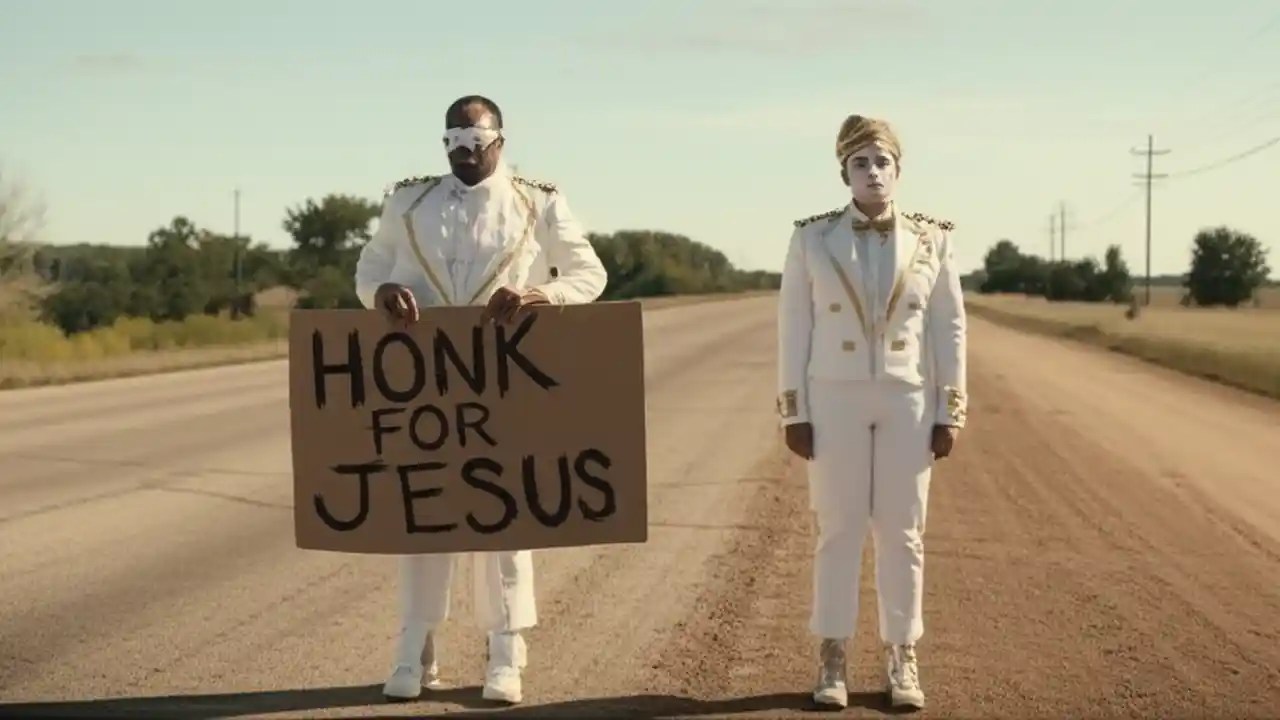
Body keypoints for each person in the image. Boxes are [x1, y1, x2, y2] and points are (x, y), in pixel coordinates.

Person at [353, 94, 608, 705]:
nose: (464, 154)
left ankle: (505, 649)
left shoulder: (538, 199)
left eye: (475, 142)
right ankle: (416, 645)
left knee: (503, 517)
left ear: (499, 140)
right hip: (428, 380)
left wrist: (536, 295)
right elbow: (369, 268)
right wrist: (381, 292)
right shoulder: (409, 200)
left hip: (506, 374)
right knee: (422, 514)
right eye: (453, 144)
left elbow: (588, 273)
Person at [775, 114, 967, 711]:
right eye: (861, 163)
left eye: (883, 162)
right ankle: (831, 654)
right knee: (838, 527)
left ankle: (900, 654)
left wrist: (950, 408)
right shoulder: (811, 238)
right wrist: (793, 410)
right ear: (844, 172)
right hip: (834, 396)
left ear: (899, 170)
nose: (873, 173)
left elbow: (949, 326)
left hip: (908, 397)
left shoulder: (933, 238)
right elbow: (793, 326)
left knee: (903, 531)